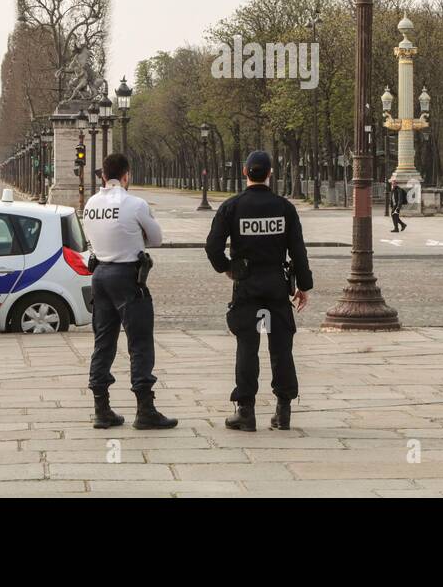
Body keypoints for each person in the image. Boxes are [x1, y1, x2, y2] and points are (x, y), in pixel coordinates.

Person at [204, 150, 313, 431]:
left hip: (247, 286)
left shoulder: (232, 207)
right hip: (276, 285)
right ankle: (284, 410)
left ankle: (246, 411)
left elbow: (212, 246)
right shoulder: (284, 208)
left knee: (247, 348)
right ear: (270, 173)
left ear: (244, 172)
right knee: (281, 349)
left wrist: (227, 267)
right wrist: (303, 285)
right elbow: (298, 250)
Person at [81, 152, 177, 430]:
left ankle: (101, 408)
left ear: (102, 176)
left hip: (99, 275)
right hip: (127, 276)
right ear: (126, 176)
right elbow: (156, 239)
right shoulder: (135, 204)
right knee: (140, 342)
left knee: (103, 342)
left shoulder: (90, 204)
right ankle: (145, 409)